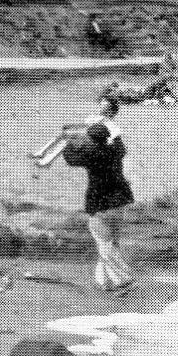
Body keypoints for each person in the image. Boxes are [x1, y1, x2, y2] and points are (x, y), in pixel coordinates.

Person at [61, 99, 136, 291]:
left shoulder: (92, 155)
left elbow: (70, 157)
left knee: (104, 243)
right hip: (121, 202)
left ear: (92, 140)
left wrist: (69, 141)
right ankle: (105, 281)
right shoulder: (116, 150)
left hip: (101, 205)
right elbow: (118, 140)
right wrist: (107, 124)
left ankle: (123, 280)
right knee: (111, 241)